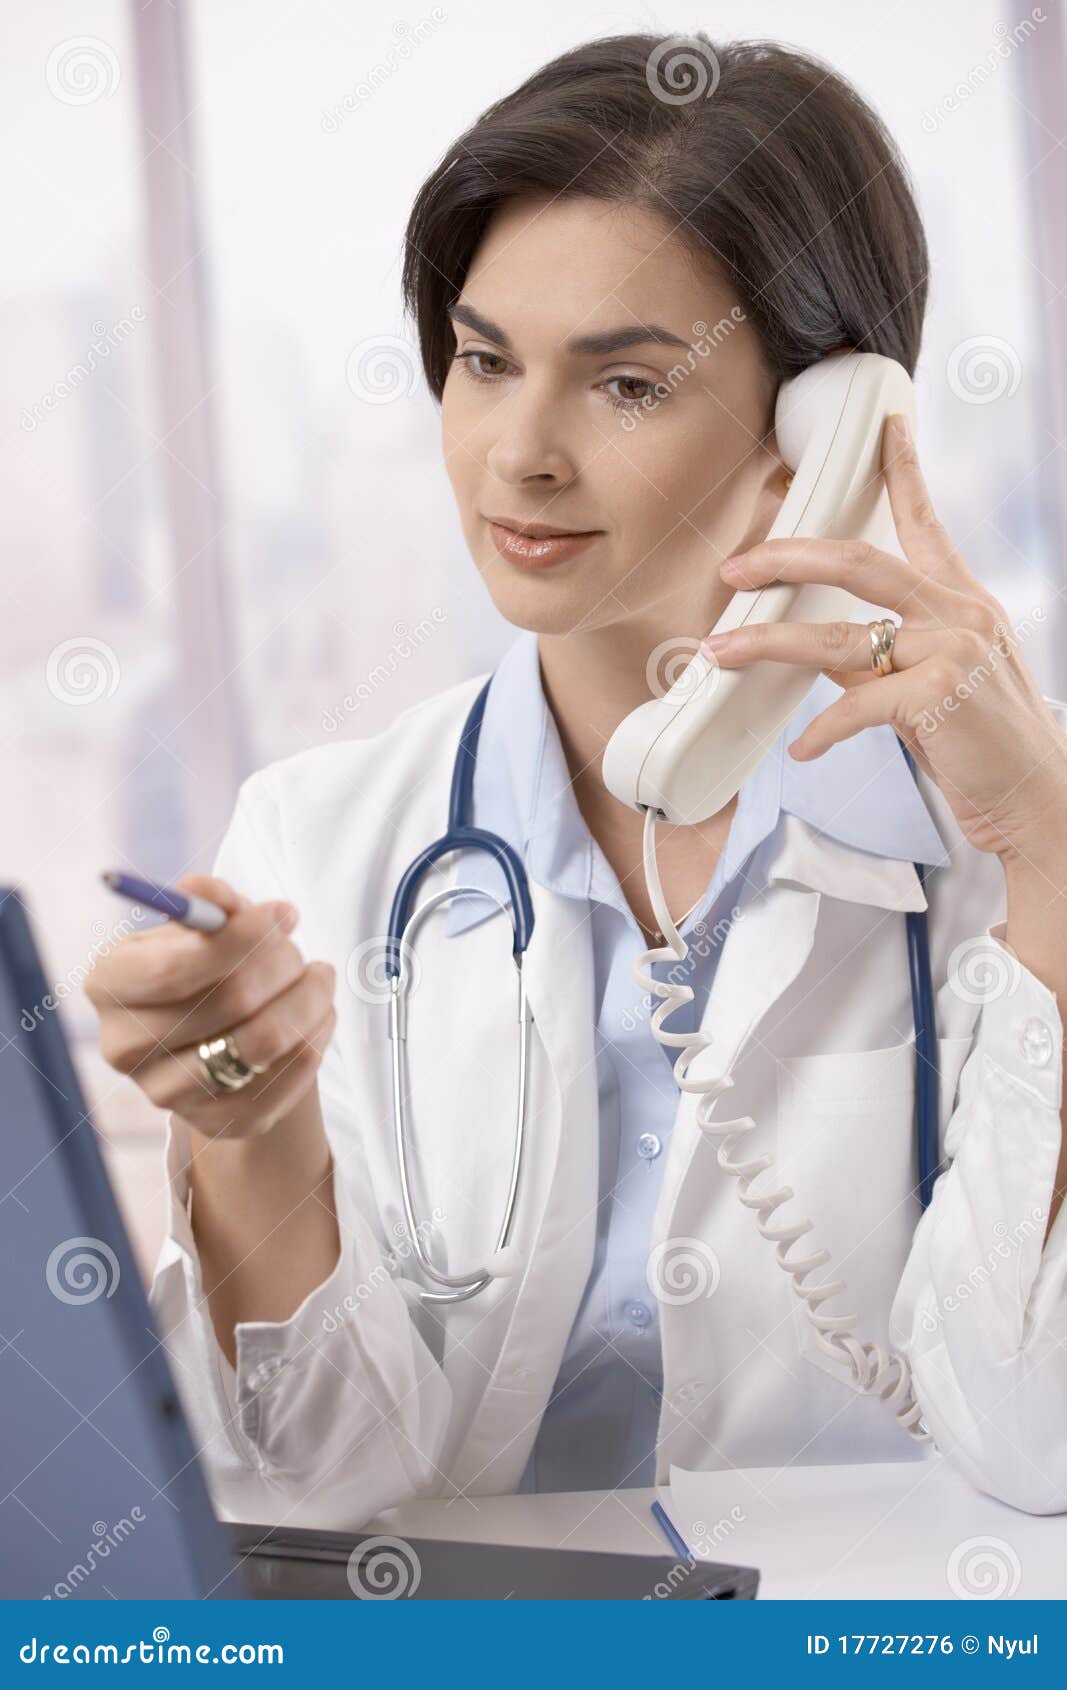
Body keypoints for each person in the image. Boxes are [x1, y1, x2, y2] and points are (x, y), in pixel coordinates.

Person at [88, 34, 1067, 1528]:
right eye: (485, 361)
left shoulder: (1010, 829)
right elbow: (320, 1494)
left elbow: (1039, 1443)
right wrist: (253, 1128)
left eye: (624, 382)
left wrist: (1051, 866)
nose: (518, 455)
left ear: (824, 430)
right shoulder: (323, 839)